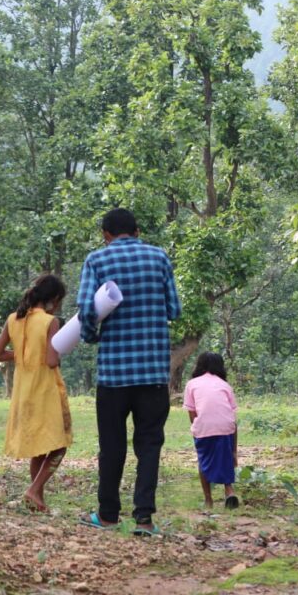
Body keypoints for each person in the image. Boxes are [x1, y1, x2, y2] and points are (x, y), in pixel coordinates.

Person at [77, 209, 181, 535]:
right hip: (153, 373)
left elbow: (86, 309)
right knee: (149, 445)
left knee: (112, 445)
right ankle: (144, 519)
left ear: (105, 235)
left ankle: (108, 515)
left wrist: (92, 336)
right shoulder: (159, 257)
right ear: (137, 231)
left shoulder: (96, 260)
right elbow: (174, 309)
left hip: (113, 374)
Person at [0, 274, 73, 512]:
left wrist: (21, 354)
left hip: (24, 390)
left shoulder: (13, 319)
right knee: (60, 445)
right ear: (54, 299)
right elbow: (51, 361)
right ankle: (33, 490)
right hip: (45, 390)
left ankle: (37, 498)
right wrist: (64, 346)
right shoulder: (50, 321)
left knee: (39, 447)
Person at [183, 352, 239, 510]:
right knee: (226, 458)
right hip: (226, 428)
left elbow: (192, 414)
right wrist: (234, 451)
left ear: (199, 365)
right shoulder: (225, 385)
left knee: (204, 461)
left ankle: (208, 500)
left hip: (204, 428)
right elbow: (231, 415)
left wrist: (199, 428)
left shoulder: (192, 384)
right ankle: (229, 491)